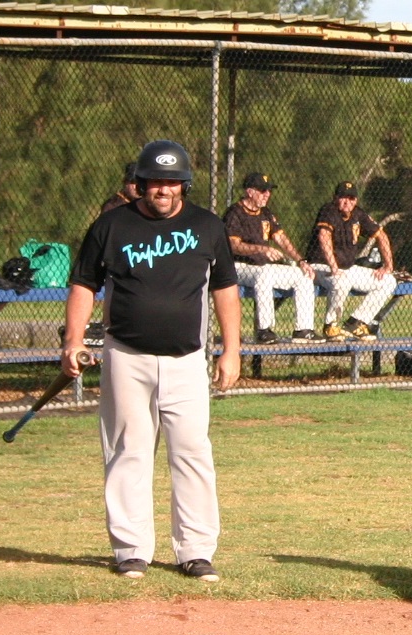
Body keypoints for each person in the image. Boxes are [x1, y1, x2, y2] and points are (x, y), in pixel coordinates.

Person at [61, 139, 242, 582]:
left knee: (193, 451)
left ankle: (196, 550)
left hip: (187, 359)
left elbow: (225, 289)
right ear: (140, 184)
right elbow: (84, 284)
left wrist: (232, 349)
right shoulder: (111, 226)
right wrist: (72, 340)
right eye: (155, 182)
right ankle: (131, 549)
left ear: (184, 185)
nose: (163, 190)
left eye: (172, 182)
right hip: (126, 355)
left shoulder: (207, 226)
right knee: (128, 451)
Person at [222, 172, 322, 344]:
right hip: (238, 267)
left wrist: (301, 261)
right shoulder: (235, 213)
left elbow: (281, 238)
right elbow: (233, 245)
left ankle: (303, 330)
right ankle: (264, 330)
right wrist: (261, 249)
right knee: (264, 274)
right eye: (262, 190)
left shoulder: (265, 213)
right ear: (250, 192)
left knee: (303, 276)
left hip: (262, 268)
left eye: (269, 191)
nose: (267, 194)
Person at [306, 180, 398, 342]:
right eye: (343, 197)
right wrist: (333, 267)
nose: (347, 202)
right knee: (341, 282)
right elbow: (324, 236)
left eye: (352, 198)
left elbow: (381, 236)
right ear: (335, 198)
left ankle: (355, 322)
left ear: (356, 200)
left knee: (388, 281)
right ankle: (331, 326)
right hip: (321, 266)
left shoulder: (358, 214)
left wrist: (388, 265)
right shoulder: (329, 211)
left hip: (347, 269)